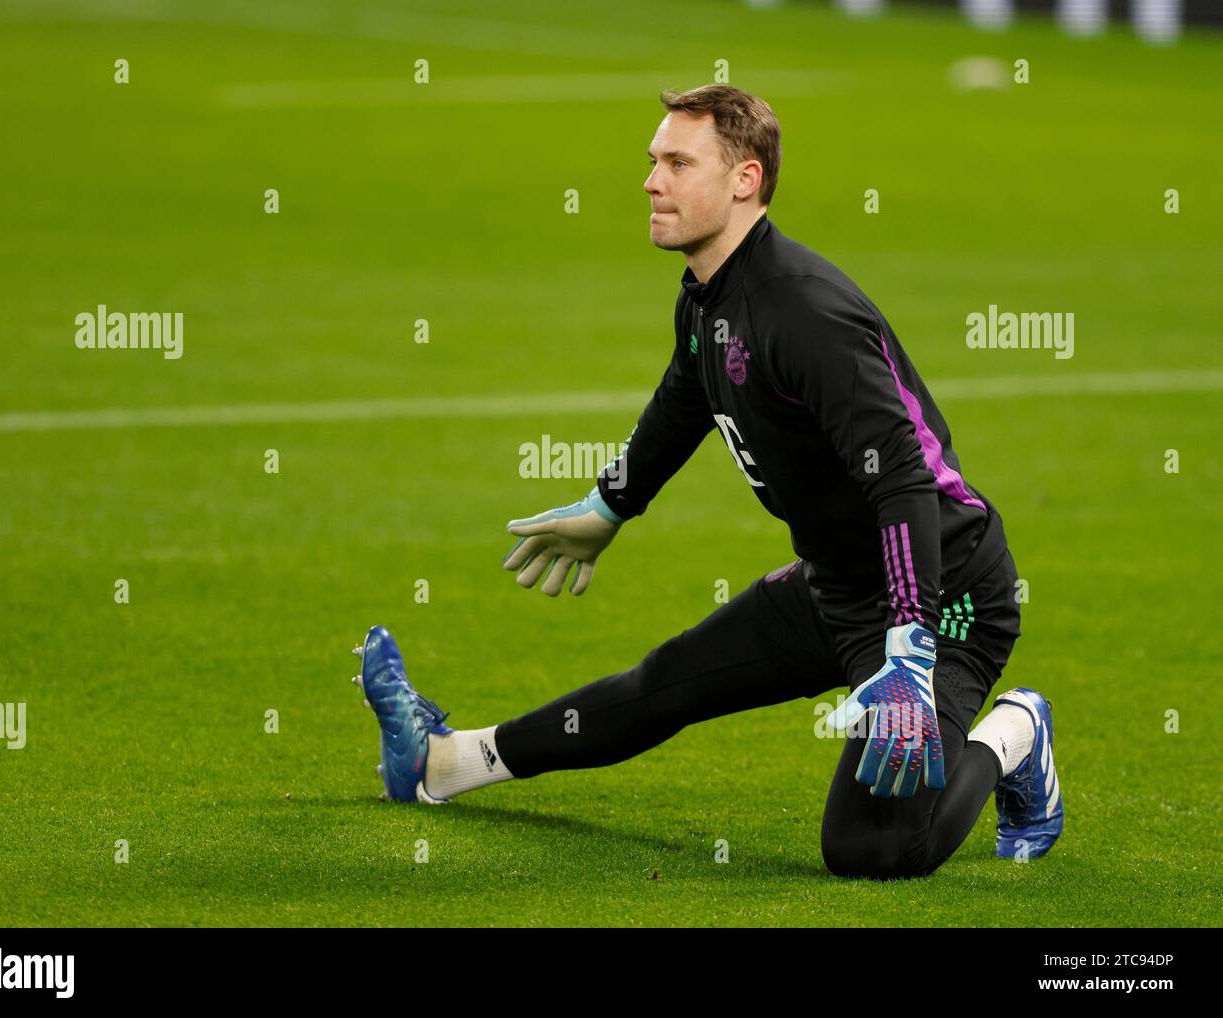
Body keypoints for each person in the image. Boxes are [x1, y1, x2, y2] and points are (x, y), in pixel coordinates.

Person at [353, 85, 1062, 879]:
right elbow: (682, 402)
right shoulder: (709, 298)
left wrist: (909, 645)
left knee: (874, 849)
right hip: (837, 587)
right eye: (653, 161)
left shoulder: (806, 313)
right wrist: (609, 505)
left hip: (946, 597)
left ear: (744, 180)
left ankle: (1014, 734)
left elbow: (901, 481)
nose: (652, 181)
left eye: (676, 163)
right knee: (665, 686)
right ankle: (443, 762)